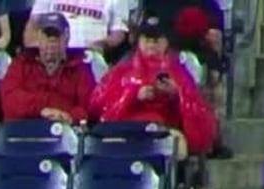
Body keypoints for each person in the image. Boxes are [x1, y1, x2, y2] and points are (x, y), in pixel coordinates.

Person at [88, 16, 216, 161]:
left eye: (156, 40)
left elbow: (200, 120)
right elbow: (99, 110)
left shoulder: (180, 73)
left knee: (177, 146)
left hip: (163, 131)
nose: (151, 45)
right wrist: (133, 95)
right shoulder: (120, 72)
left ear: (166, 42)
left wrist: (178, 94)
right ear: (138, 41)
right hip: (123, 130)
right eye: (146, 39)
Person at [0, 11, 96, 124]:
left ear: (67, 37)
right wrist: (44, 108)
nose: (51, 43)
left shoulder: (81, 68)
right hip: (24, 129)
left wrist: (68, 117)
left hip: (65, 131)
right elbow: (10, 102)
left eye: (56, 38)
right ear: (39, 37)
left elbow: (89, 108)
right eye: (47, 36)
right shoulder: (20, 64)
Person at [27, 0, 131, 79]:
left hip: (90, 56)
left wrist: (102, 44)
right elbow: (32, 26)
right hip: (54, 53)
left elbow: (118, 34)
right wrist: (39, 49)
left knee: (95, 64)